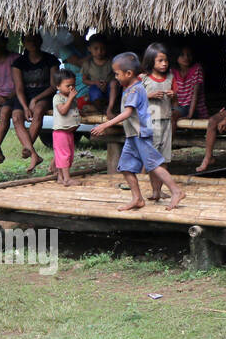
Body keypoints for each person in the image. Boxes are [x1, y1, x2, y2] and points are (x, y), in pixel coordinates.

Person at [92, 53, 185, 211]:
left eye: (117, 74)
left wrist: (105, 125)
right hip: (132, 135)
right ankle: (137, 198)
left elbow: (127, 113)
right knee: (126, 167)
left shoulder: (136, 90)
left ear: (128, 74)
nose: (116, 77)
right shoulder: (128, 87)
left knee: (154, 164)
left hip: (140, 134)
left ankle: (177, 191)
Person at [0, 33, 33, 171]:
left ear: (5, 42)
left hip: (15, 95)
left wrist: (8, 97)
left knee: (5, 112)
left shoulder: (15, 59)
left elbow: (22, 83)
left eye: (0, 41)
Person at [12, 32, 60, 153]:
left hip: (45, 94)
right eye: (28, 40)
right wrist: (25, 107)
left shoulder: (50, 59)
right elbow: (19, 88)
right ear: (24, 43)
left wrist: (35, 99)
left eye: (34, 39)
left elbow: (54, 86)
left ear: (40, 41)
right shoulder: (19, 62)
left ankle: (27, 149)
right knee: (16, 117)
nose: (32, 43)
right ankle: (30, 150)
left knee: (38, 111)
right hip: (25, 95)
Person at [141, 44, 177, 198]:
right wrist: (149, 96)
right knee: (153, 157)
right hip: (150, 122)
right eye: (160, 61)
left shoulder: (170, 78)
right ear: (150, 62)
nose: (164, 64)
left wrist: (173, 95)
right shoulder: (143, 79)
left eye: (166, 60)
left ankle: (158, 190)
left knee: (164, 158)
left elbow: (176, 102)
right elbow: (131, 98)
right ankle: (154, 189)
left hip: (166, 121)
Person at [51, 69, 82, 186]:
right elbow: (63, 111)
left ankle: (60, 177)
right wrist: (70, 98)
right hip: (61, 133)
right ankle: (67, 179)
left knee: (66, 155)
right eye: (68, 85)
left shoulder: (71, 98)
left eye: (73, 85)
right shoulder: (58, 98)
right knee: (65, 156)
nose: (71, 88)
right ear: (58, 86)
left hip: (69, 133)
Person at [79, 35, 118, 117]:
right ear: (89, 49)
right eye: (96, 49)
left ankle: (109, 109)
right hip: (96, 88)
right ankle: (101, 109)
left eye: (102, 49)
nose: (99, 51)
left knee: (114, 83)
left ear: (106, 48)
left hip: (110, 89)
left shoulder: (112, 62)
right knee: (94, 92)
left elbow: (118, 76)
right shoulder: (88, 64)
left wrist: (108, 83)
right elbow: (84, 80)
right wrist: (95, 83)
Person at [173, 45, 208, 123]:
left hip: (194, 109)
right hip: (180, 108)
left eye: (189, 55)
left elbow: (195, 94)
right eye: (182, 55)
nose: (186, 58)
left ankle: (168, 136)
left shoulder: (197, 69)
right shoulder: (173, 72)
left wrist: (190, 115)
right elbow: (174, 94)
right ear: (176, 57)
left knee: (172, 116)